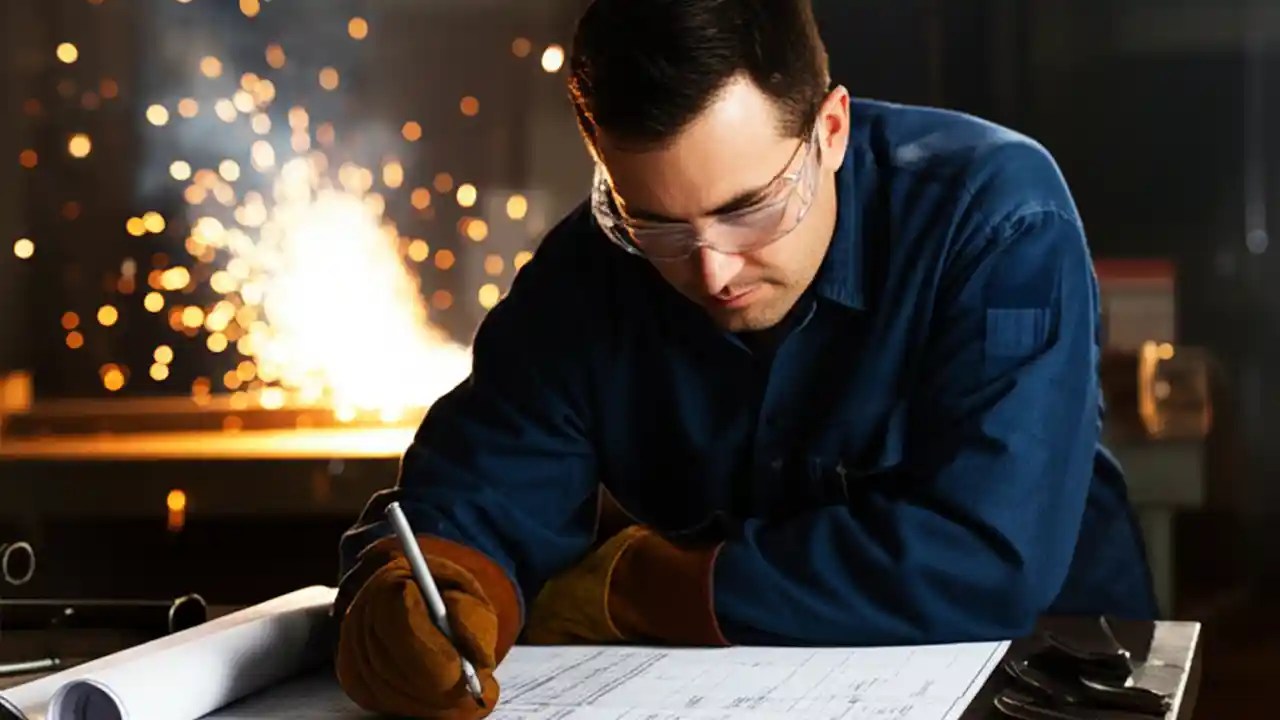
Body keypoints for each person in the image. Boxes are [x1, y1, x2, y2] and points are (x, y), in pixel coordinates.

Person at [331, 0, 1157, 716]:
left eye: (750, 209)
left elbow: (989, 559)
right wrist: (438, 582)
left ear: (829, 130)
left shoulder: (998, 219)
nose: (711, 271)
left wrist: (658, 587)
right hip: (738, 686)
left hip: (1055, 667)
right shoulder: (590, 269)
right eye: (654, 224)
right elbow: (484, 490)